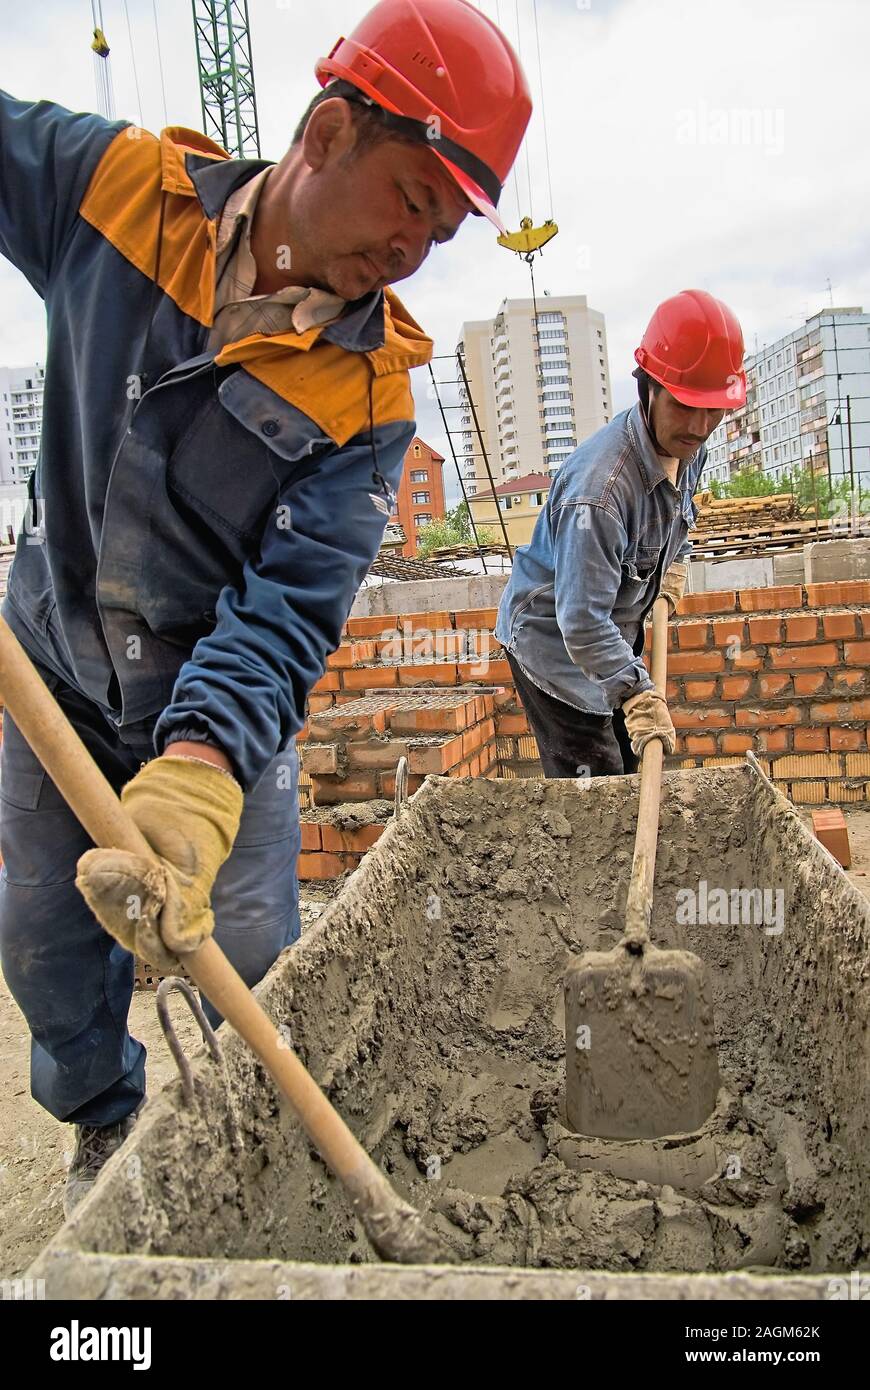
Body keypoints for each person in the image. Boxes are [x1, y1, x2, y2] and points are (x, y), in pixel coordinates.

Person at [0, 0, 531, 1214]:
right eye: (410, 200)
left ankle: (250, 1146)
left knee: (247, 941)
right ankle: (105, 1116)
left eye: (441, 232)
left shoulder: (371, 394)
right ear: (330, 131)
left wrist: (200, 770)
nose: (415, 250)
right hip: (53, 676)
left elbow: (290, 607)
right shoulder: (122, 192)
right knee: (40, 939)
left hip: (220, 712)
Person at [494, 289, 746, 780]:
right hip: (556, 644)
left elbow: (676, 521)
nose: (699, 425)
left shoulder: (687, 449)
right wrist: (636, 693)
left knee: (631, 767)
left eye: (713, 410)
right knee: (597, 785)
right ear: (648, 387)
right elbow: (582, 622)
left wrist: (672, 568)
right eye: (685, 405)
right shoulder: (600, 493)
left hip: (611, 629)